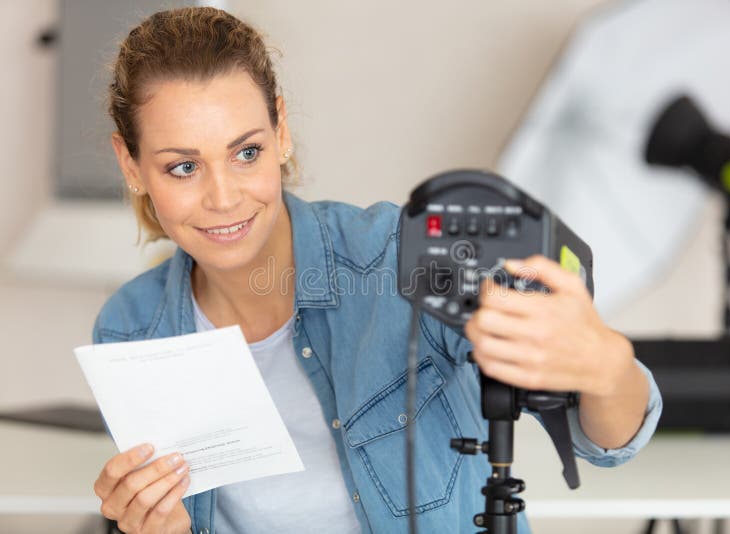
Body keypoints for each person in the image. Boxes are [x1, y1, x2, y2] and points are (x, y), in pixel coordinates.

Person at [91, 7, 662, 534]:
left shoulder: (401, 258)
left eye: (246, 153)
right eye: (183, 167)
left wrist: (607, 368)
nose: (223, 197)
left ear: (280, 130)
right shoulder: (131, 329)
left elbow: (606, 440)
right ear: (131, 165)